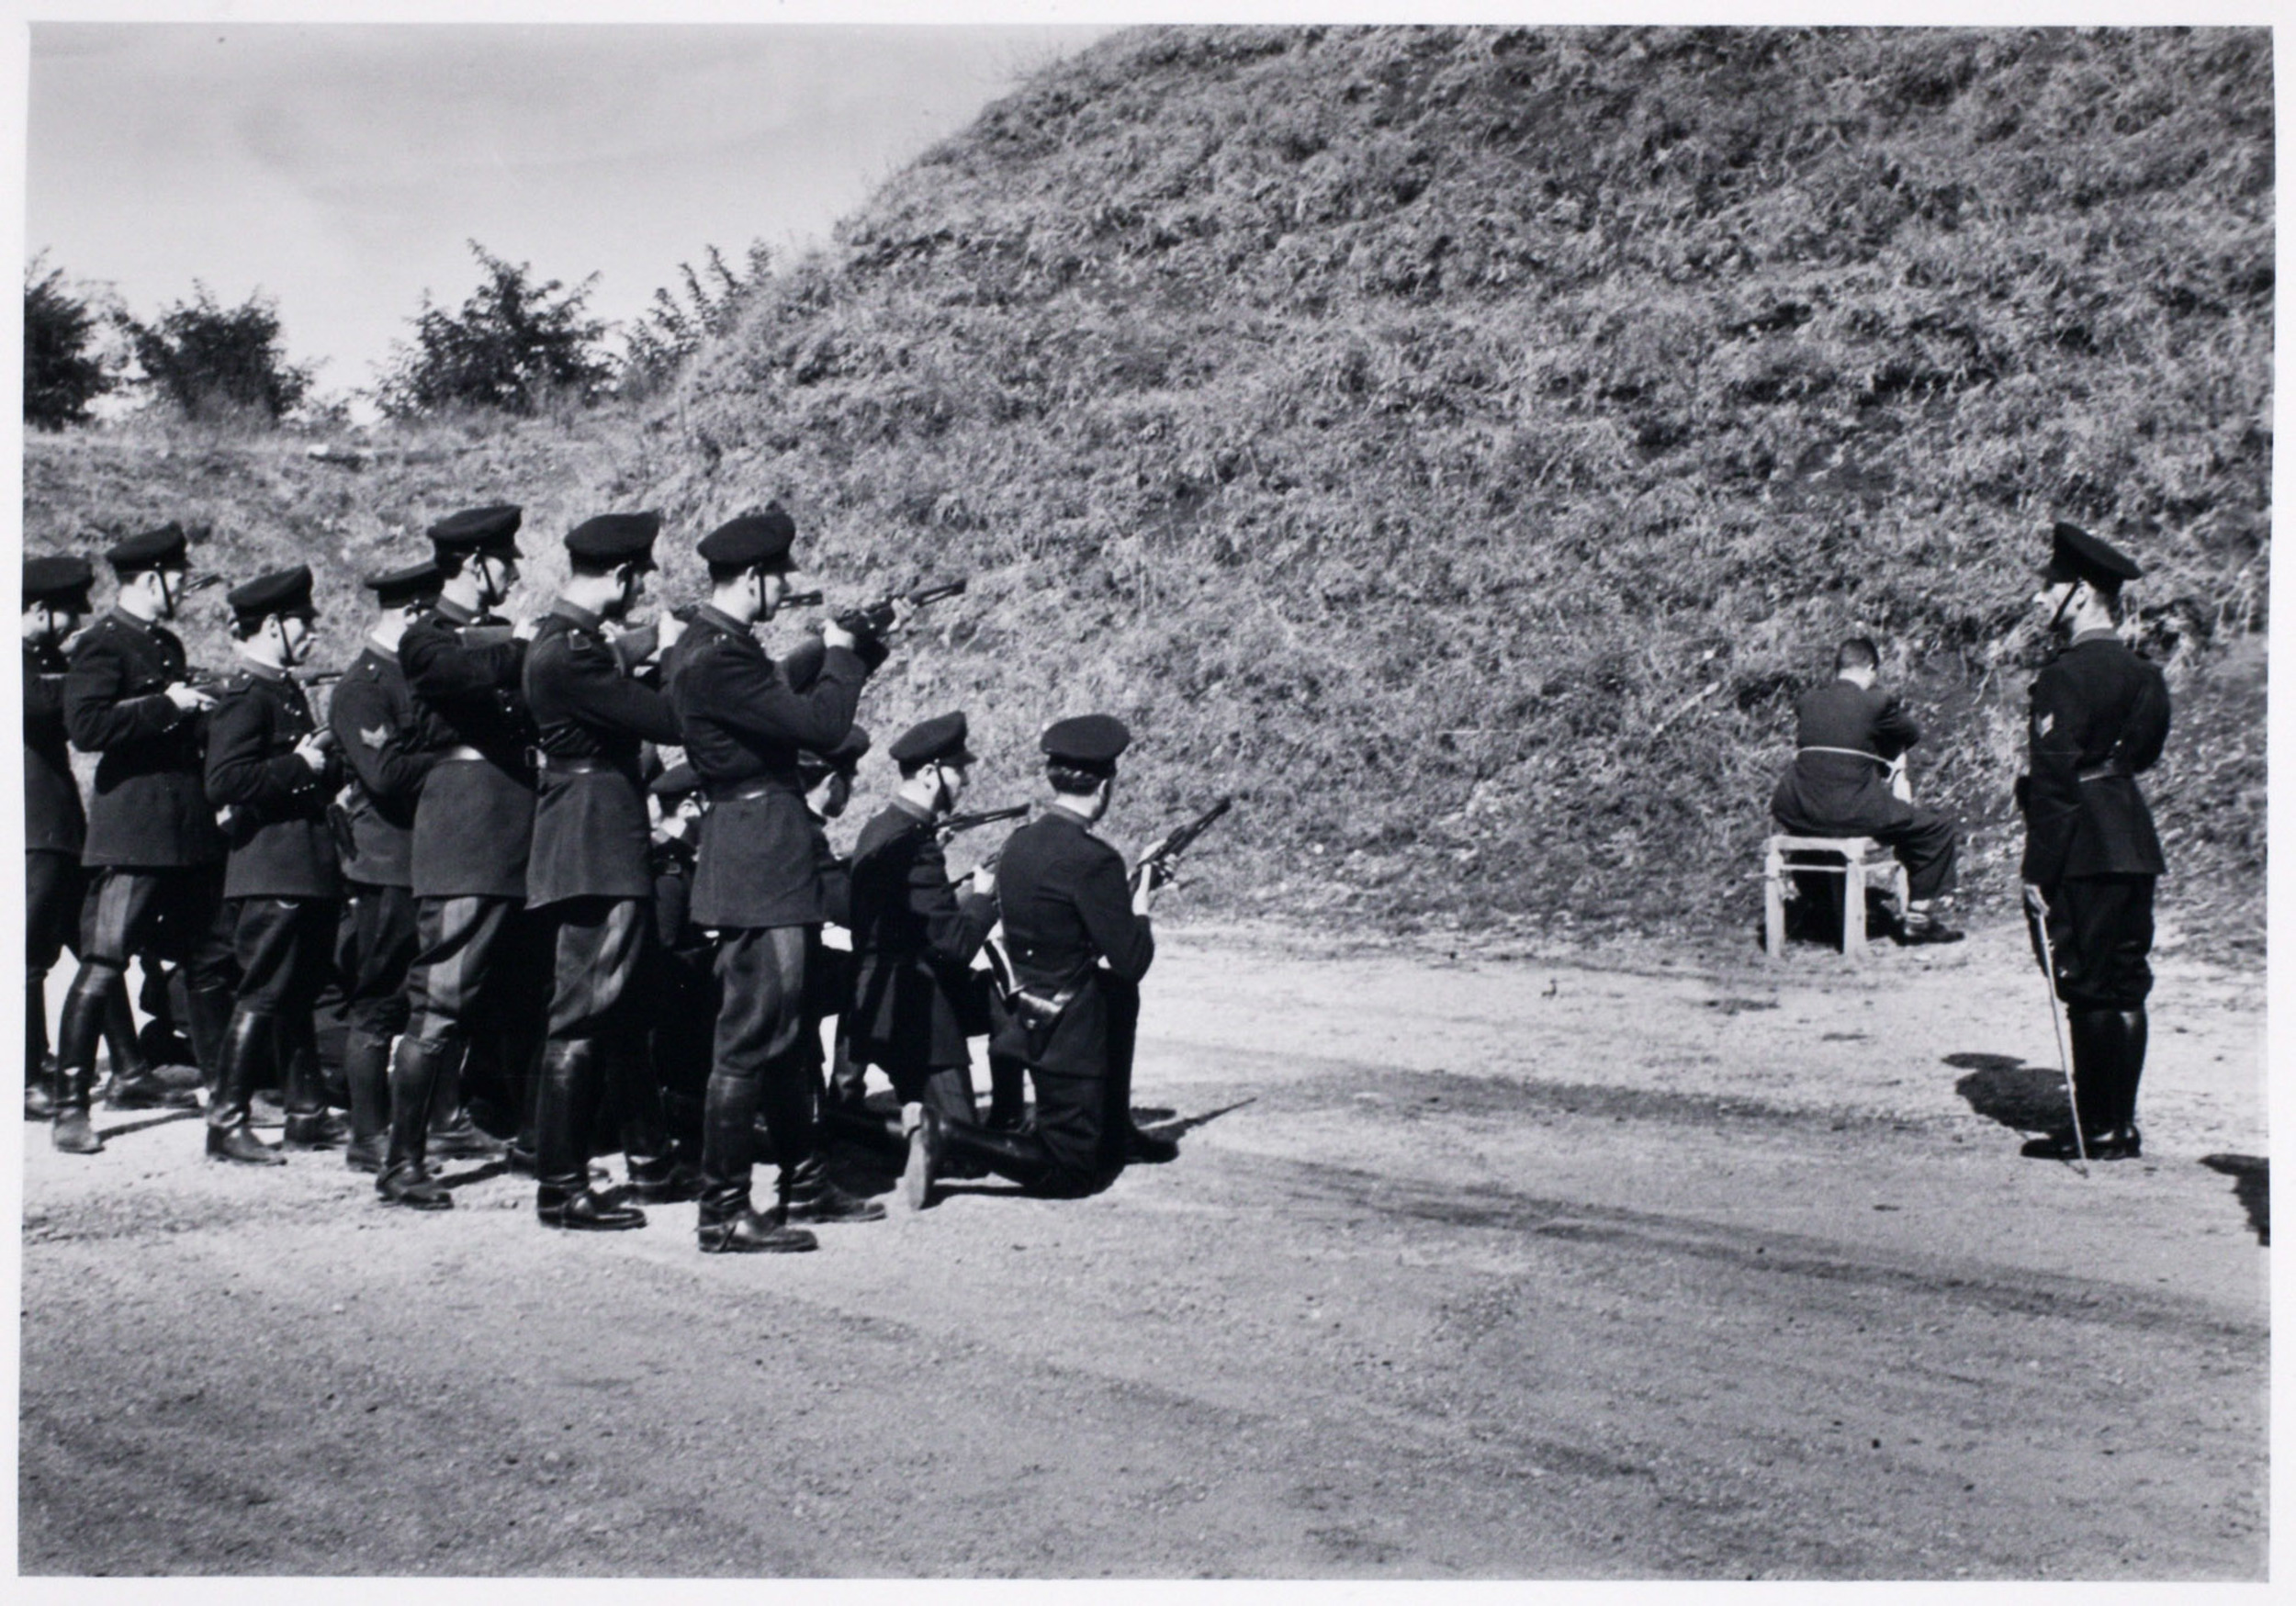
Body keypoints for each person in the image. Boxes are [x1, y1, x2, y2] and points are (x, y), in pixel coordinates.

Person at [668, 504, 889, 1254]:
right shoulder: (718, 657)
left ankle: (805, 1181)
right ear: (755, 576)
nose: (788, 586)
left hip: (761, 851)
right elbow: (821, 726)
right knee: (749, 1039)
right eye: (781, 575)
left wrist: (855, 646)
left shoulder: (714, 646)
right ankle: (724, 1207)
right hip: (759, 857)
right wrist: (842, 653)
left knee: (785, 1034)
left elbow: (784, 695)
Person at [900, 713, 1163, 1209]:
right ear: (1105, 786)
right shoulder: (1096, 859)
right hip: (1070, 1029)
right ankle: (947, 1133)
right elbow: (1130, 960)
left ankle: (1114, 1131)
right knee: (1073, 1174)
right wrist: (1143, 902)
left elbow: (1060, 918)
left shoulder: (1019, 844)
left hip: (1023, 1012)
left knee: (1118, 998)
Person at [521, 511, 692, 1231]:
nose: (642, 587)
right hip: (597, 849)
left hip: (595, 843)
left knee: (623, 1013)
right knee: (584, 1016)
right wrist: (678, 651)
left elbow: (619, 662)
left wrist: (654, 641)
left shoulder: (570, 643)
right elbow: (670, 718)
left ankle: (650, 1161)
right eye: (639, 577)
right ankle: (560, 1186)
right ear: (620, 574)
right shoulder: (571, 655)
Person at [55, 523, 238, 1155]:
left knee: (208, 963)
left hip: (187, 829)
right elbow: (86, 727)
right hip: (133, 832)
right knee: (104, 961)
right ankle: (70, 1107)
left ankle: (227, 1106)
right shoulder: (102, 643)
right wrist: (169, 705)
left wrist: (203, 710)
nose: (185, 587)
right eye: (179, 577)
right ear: (151, 578)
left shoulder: (165, 642)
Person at [384, 505, 535, 1209]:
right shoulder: (426, 638)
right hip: (467, 842)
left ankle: (534, 1140)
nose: (515, 570)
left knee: (523, 998)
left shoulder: (490, 637)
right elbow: (459, 674)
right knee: (440, 1003)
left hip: (512, 840)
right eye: (507, 558)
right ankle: (401, 1162)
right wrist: (527, 647)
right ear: (475, 563)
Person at [2018, 521, 2171, 1162]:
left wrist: (2037, 868)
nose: (2040, 597)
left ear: (2080, 593)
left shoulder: (2064, 676)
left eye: (2050, 586)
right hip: (2132, 837)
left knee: (2084, 981)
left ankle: (2095, 1128)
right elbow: (2145, 754)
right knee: (2126, 981)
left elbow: (2054, 781)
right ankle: (2121, 1126)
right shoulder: (2144, 674)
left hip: (2081, 843)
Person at [202, 566, 346, 1163]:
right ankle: (226, 1121)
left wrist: (323, 763)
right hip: (272, 868)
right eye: (302, 622)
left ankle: (306, 1114)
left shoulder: (282, 690)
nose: (312, 632)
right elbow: (223, 781)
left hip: (303, 863)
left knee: (298, 989)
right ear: (272, 626)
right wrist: (299, 766)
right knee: (263, 990)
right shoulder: (247, 696)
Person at [24, 554, 174, 1125]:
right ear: (40, 610)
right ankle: (26, 1076)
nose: (75, 624)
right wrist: (98, 671)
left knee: (95, 948)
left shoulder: (42, 659)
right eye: (68, 614)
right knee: (26, 957)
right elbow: (45, 703)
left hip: (58, 825)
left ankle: (129, 1070)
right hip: (31, 827)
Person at [328, 559, 445, 1173]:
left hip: (427, 858)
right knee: (378, 1003)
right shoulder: (363, 686)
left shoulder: (413, 675)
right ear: (416, 613)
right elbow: (387, 774)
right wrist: (456, 761)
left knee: (430, 1000)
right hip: (386, 865)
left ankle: (439, 1123)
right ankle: (368, 1133)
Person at [846, 713, 1000, 1138]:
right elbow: (956, 944)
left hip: (885, 1000)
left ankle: (988, 1117)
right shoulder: (916, 845)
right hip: (916, 1009)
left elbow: (912, 914)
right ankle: (921, 1135)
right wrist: (984, 898)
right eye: (958, 770)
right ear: (931, 774)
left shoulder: (882, 828)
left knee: (998, 1005)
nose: (965, 781)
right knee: (964, 1147)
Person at [1770, 635, 1962, 944]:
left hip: (1798, 808)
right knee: (1936, 830)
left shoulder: (1808, 701)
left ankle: (1821, 911)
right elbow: (1910, 733)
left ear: (1839, 668)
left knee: (1829, 831)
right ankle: (1918, 918)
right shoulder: (1876, 702)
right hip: (1850, 809)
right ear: (1870, 668)